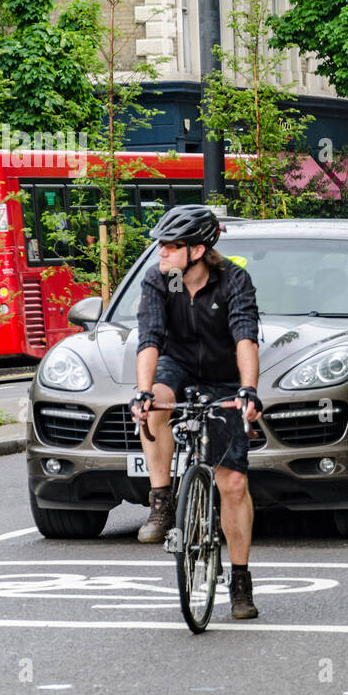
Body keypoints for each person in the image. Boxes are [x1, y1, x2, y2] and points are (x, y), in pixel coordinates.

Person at [129, 204, 262, 620]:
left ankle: (239, 579)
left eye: (171, 246)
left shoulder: (233, 281)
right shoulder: (159, 281)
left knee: (234, 484)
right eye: (161, 245)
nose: (162, 253)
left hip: (224, 377)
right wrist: (143, 391)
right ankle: (162, 500)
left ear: (199, 250)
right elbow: (150, 338)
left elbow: (245, 336)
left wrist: (248, 390)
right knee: (154, 408)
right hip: (178, 367)